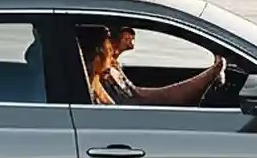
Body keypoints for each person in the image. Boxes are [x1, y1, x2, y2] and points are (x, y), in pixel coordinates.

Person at [78, 25, 223, 106]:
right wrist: (209, 75)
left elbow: (137, 97)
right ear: (96, 55)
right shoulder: (91, 87)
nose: (111, 51)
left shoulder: (101, 79)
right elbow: (141, 100)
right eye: (108, 47)